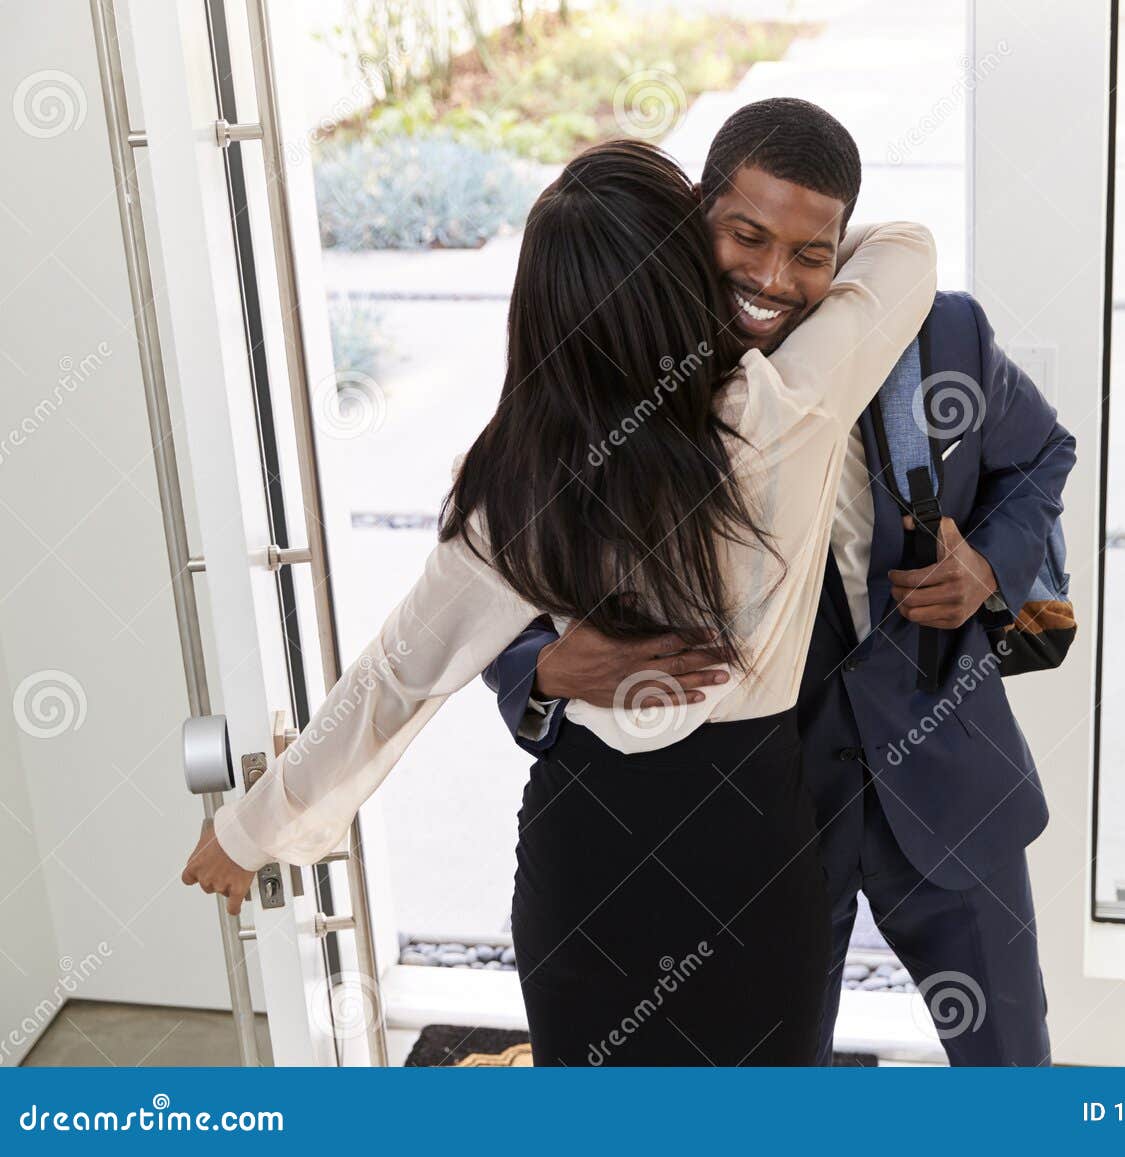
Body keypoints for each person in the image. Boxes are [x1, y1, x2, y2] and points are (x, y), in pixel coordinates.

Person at [180, 138, 937, 1066]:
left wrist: (248, 828)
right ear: (687, 274)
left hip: (586, 854)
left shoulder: (516, 488)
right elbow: (906, 252)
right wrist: (785, 252)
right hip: (749, 843)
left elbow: (391, 680)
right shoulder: (787, 404)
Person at [485, 99, 1075, 1066]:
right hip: (768, 811)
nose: (774, 277)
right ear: (696, 220)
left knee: (1013, 1063)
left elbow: (1044, 453)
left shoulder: (940, 341)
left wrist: (989, 566)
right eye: (745, 236)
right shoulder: (626, 372)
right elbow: (505, 574)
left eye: (812, 253)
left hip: (946, 777)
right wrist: (543, 669)